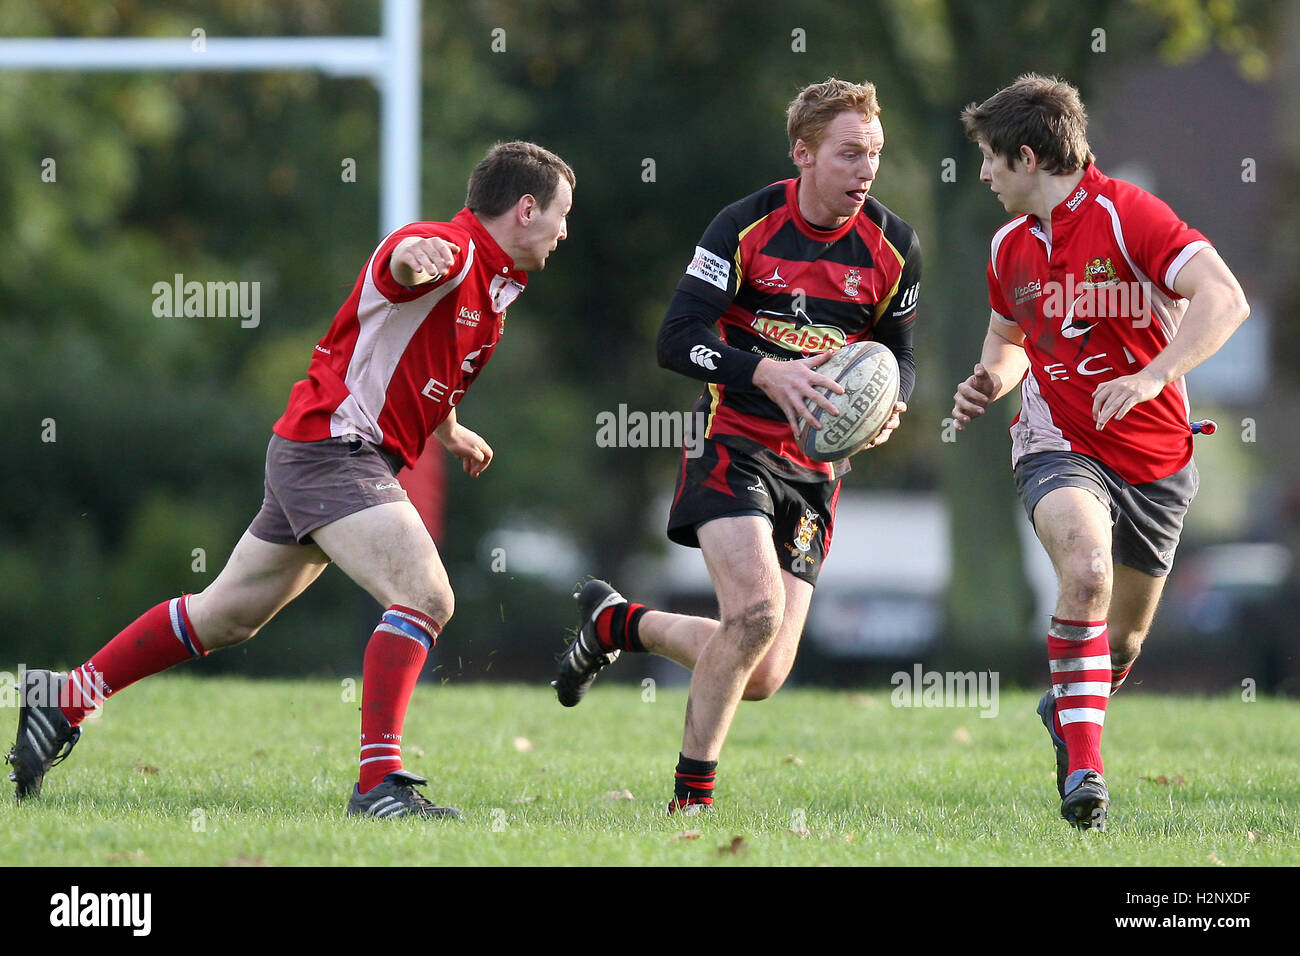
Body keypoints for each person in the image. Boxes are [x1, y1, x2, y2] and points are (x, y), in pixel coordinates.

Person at [8, 141, 575, 819]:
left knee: (227, 616)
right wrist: (409, 257)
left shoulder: (494, 286)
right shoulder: (447, 250)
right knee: (425, 596)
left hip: (317, 448)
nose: (564, 232)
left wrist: (447, 429)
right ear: (526, 207)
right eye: (561, 215)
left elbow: (425, 357)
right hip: (334, 451)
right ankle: (377, 786)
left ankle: (63, 699)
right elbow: (404, 259)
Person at [554, 78, 919, 814]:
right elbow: (676, 339)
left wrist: (893, 407)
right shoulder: (745, 226)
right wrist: (765, 372)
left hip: (816, 470)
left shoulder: (894, 246)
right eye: (849, 154)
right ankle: (692, 802)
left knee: (762, 671)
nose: (865, 170)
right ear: (804, 153)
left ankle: (617, 623)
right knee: (752, 616)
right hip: (732, 441)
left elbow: (898, 356)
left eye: (874, 154)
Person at [950, 75, 1249, 830]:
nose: (982, 175)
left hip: (1155, 458)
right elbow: (1008, 340)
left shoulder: (1130, 216)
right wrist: (991, 381)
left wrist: (1155, 376)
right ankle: (1087, 772)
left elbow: (1225, 298)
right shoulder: (1008, 245)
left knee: (1122, 646)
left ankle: (1069, 710)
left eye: (989, 159)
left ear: (1026, 156)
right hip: (1058, 441)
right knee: (1084, 571)